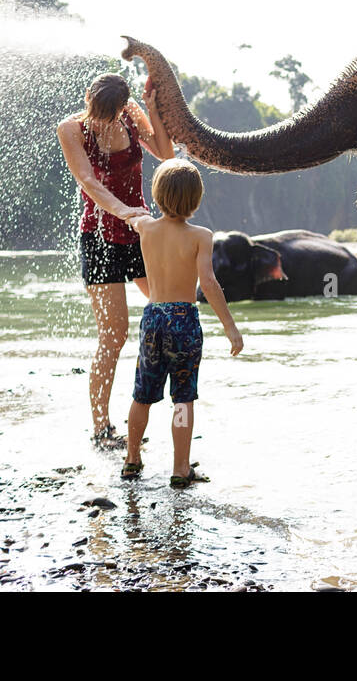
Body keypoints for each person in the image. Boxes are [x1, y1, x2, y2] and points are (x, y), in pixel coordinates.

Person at [56, 72, 174, 449]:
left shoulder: (131, 114)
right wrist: (128, 212)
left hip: (139, 234)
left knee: (170, 309)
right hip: (100, 237)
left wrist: (153, 110)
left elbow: (165, 153)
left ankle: (160, 407)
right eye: (97, 112)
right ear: (88, 97)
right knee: (114, 335)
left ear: (123, 107)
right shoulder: (72, 129)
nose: (103, 121)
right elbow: (88, 182)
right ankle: (102, 428)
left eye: (110, 114)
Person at [120, 158, 242, 488]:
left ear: (157, 195)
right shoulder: (202, 236)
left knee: (142, 394)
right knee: (183, 397)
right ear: (196, 199)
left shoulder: (146, 227)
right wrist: (230, 326)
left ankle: (132, 460)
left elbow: (131, 218)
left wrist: (134, 213)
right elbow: (209, 282)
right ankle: (180, 468)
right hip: (184, 320)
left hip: (153, 317)